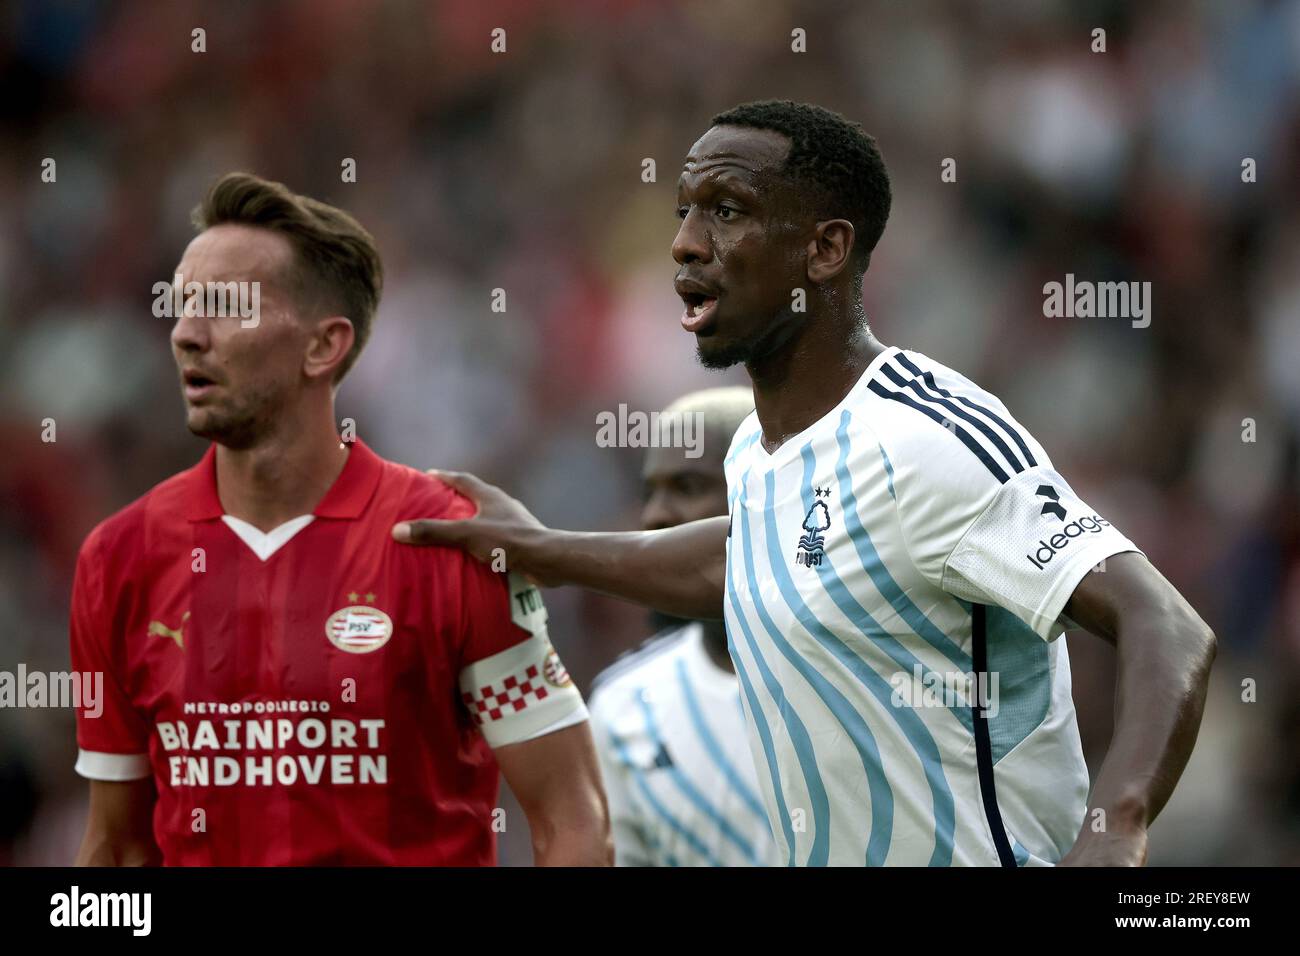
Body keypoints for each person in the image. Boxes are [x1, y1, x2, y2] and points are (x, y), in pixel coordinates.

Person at [394, 101, 1217, 867]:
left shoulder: (928, 438)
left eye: (727, 210)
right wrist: (542, 549)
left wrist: (1115, 829)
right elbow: (747, 556)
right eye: (684, 208)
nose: (684, 241)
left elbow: (1166, 625)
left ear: (825, 249)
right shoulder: (757, 450)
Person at [70, 173, 610, 866]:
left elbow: (574, 817)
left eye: (224, 306)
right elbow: (115, 851)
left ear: (323, 347)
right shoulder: (119, 557)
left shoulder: (450, 540)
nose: (185, 335)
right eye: (181, 308)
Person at [588, 386, 779, 866]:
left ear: (761, 492)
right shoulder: (624, 708)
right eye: (648, 493)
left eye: (688, 487)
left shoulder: (863, 677)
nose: (654, 517)